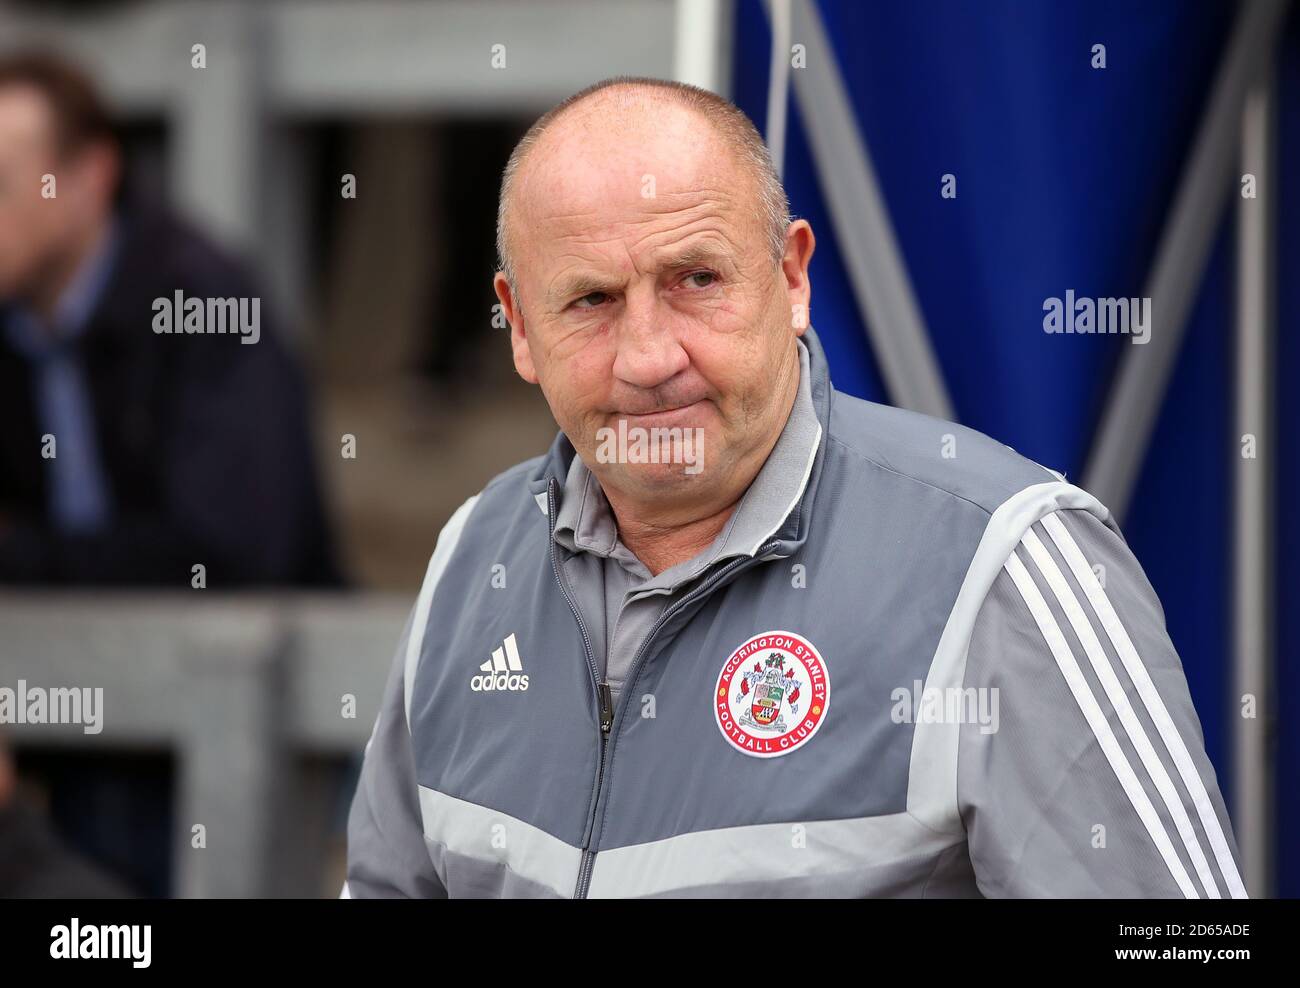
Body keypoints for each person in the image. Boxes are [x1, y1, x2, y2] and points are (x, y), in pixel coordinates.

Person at [344, 76, 1245, 898]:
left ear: (791, 277)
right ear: (520, 329)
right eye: (591, 302)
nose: (651, 358)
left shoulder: (1003, 561)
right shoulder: (474, 554)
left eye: (697, 280)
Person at [0, 51, 337, 586]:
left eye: (3, 184)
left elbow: (233, 555)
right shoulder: (17, 312)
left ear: (91, 176)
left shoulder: (201, 301)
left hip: (255, 657)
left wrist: (21, 552)